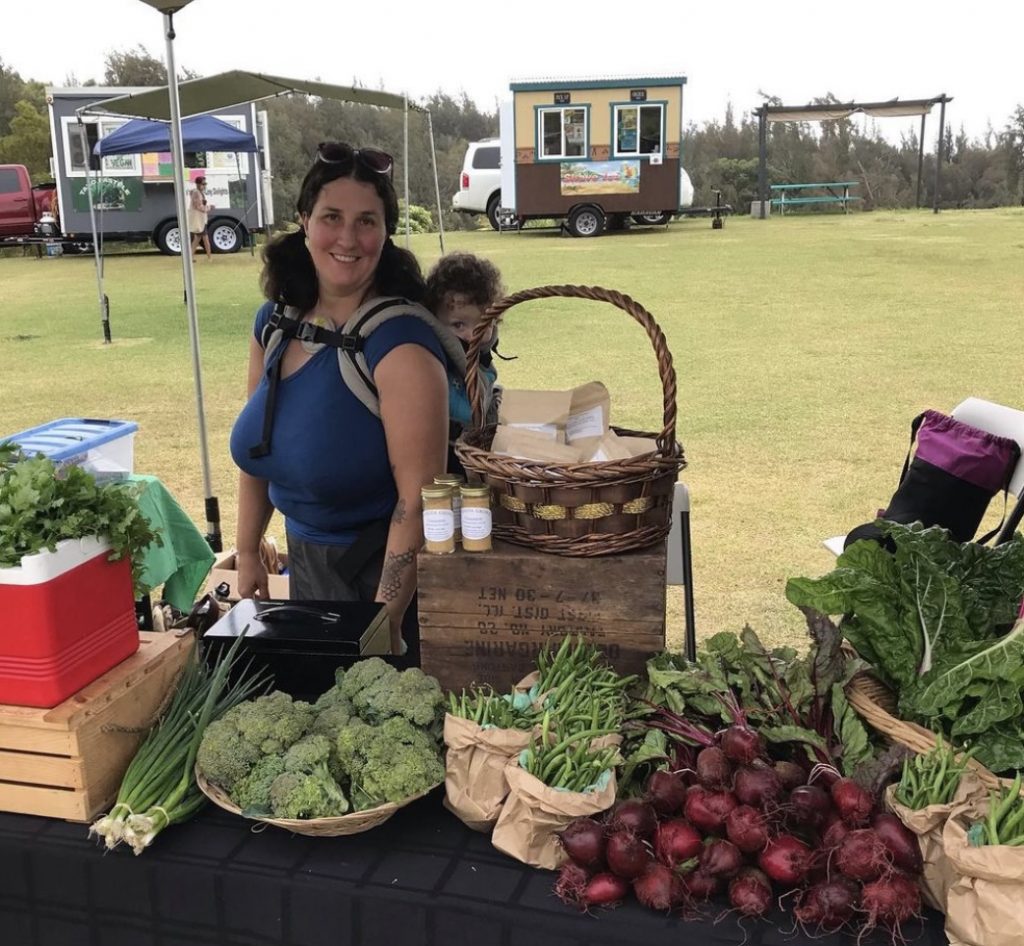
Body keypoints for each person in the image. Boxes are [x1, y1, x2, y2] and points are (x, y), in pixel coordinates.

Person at [229, 142, 450, 657]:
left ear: (386, 232)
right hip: (307, 570)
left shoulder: (400, 346)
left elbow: (418, 501)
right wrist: (246, 552)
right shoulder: (275, 324)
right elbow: (260, 453)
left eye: (367, 221)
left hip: (381, 581)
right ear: (304, 220)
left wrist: (384, 620)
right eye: (332, 216)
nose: (348, 238)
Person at [423, 252, 505, 431]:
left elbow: (487, 388)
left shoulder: (483, 357)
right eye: (458, 325)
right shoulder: (438, 369)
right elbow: (468, 415)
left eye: (483, 324)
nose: (471, 336)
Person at [188, 176, 212, 261]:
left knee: (198, 239)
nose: (205, 186)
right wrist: (209, 208)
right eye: (203, 184)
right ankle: (209, 257)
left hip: (201, 219)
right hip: (199, 220)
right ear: (198, 184)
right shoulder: (196, 193)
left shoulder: (199, 193)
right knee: (204, 239)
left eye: (205, 184)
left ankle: (191, 257)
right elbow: (199, 206)